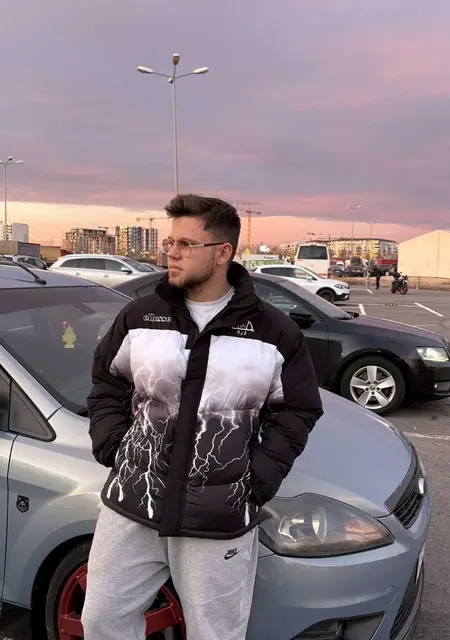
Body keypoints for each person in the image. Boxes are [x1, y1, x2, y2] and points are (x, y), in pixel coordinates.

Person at [82, 194, 324, 640]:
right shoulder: (140, 316)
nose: (171, 253)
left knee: (215, 633)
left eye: (186, 244)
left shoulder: (274, 332)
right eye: (169, 242)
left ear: (222, 252)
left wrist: (256, 480)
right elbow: (107, 383)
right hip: (133, 503)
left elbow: (297, 410)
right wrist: (115, 446)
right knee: (101, 621)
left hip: (218, 519)